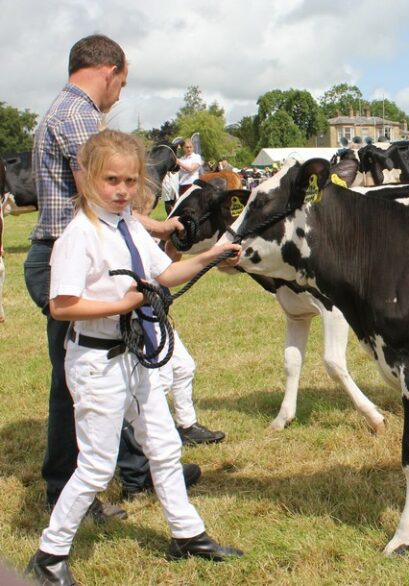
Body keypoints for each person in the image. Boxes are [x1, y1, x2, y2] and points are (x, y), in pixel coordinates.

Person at [25, 129, 244, 585]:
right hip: (96, 362)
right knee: (97, 467)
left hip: (134, 355)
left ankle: (187, 534)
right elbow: (61, 305)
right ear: (85, 180)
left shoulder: (126, 227)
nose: (122, 191)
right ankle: (49, 556)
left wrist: (214, 254)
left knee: (164, 447)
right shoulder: (78, 236)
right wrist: (123, 306)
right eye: (111, 180)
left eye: (130, 181)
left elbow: (164, 273)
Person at [23, 34, 192, 526]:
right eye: (123, 82)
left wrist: (151, 230)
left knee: (115, 360)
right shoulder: (78, 115)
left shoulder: (61, 108)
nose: (119, 94)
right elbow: (101, 197)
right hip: (71, 257)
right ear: (110, 69)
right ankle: (66, 490)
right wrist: (155, 227)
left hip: (68, 251)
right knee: (80, 375)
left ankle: (139, 470)